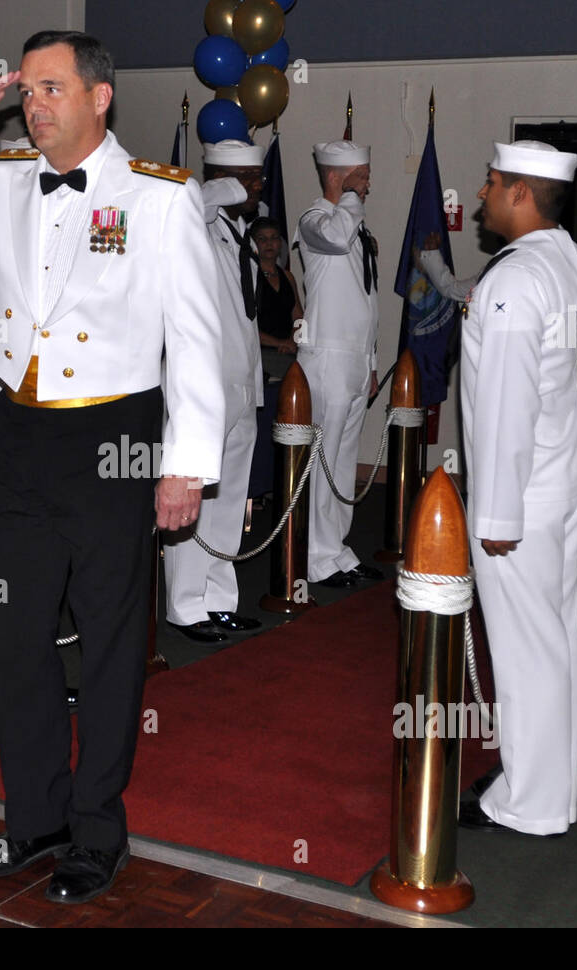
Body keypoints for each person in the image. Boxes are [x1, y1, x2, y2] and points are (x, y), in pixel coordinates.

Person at [0, 30, 223, 903]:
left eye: (51, 88)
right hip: (22, 437)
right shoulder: (1, 181)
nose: (33, 103)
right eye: (26, 90)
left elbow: (197, 340)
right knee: (17, 638)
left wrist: (185, 464)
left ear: (99, 97)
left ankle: (99, 833)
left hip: (117, 435)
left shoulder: (160, 197)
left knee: (108, 644)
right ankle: (33, 818)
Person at [457, 140, 577, 837]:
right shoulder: (565, 257)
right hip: (561, 470)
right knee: (557, 630)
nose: (481, 193)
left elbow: (507, 402)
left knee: (525, 645)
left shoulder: (516, 281)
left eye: (491, 182)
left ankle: (532, 800)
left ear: (520, 192)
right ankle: (552, 766)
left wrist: (495, 511)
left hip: (525, 488)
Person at [163, 138, 263, 643]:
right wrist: (224, 185)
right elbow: (188, 200)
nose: (261, 189)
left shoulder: (236, 232)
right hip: (204, 386)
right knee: (193, 496)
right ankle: (185, 605)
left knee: (229, 498)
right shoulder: (197, 219)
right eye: (253, 180)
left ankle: (219, 598)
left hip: (240, 384)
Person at [297, 139, 382, 588]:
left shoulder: (356, 226)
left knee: (344, 461)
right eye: (360, 175)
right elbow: (332, 237)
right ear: (335, 176)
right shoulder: (315, 220)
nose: (367, 183)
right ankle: (315, 558)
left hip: (353, 359)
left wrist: (370, 362)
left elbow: (366, 299)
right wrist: (349, 196)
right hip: (326, 356)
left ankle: (336, 551)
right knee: (324, 459)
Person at [252, 215, 303, 381]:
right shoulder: (248, 277)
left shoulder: (288, 277)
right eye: (262, 239)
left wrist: (293, 342)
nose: (269, 243)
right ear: (254, 244)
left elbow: (299, 317)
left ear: (280, 243)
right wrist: (278, 343)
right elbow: (244, 325)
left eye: (274, 238)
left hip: (289, 351)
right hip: (260, 353)